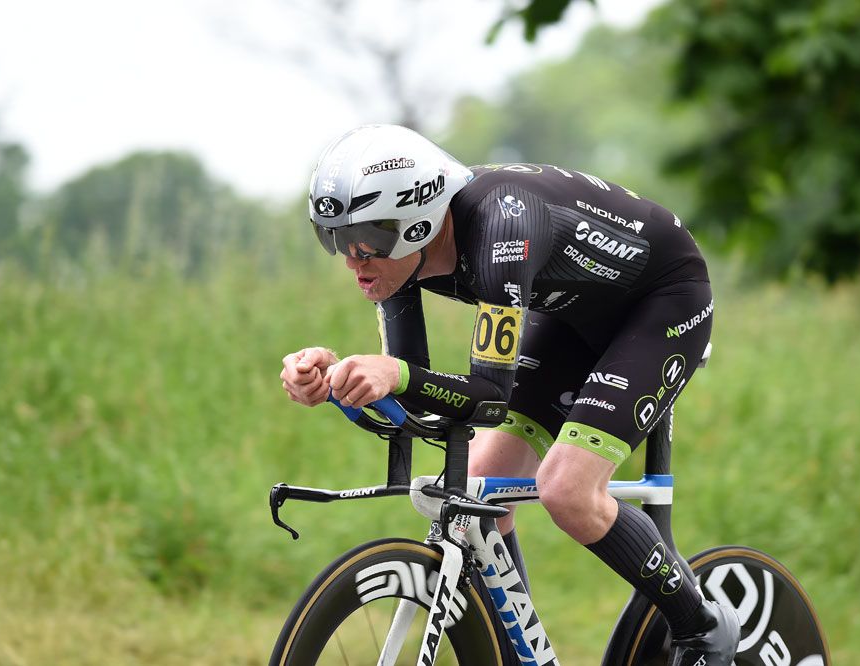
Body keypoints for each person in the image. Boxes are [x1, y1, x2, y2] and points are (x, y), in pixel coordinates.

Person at [281, 124, 738, 666]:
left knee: (567, 489)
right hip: (572, 313)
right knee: (481, 488)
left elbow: (486, 398)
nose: (353, 260)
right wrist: (339, 383)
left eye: (366, 242)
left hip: (662, 302)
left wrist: (394, 374)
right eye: (335, 239)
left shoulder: (502, 226)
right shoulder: (398, 261)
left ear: (419, 222)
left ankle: (703, 626)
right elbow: (420, 397)